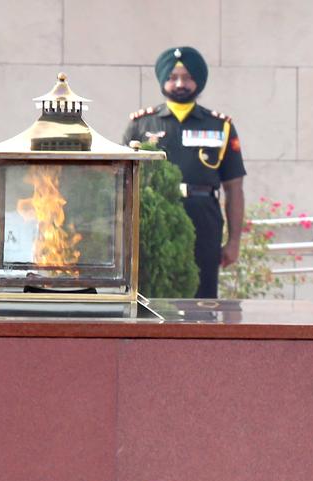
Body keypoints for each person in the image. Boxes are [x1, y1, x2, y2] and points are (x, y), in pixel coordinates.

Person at [123, 46, 246, 299]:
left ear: (199, 81)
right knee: (150, 293)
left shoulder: (220, 126)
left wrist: (234, 242)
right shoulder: (141, 124)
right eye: (172, 77)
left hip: (202, 216)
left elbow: (234, 188)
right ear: (162, 80)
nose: (180, 84)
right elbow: (124, 182)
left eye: (188, 78)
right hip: (154, 216)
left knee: (203, 298)